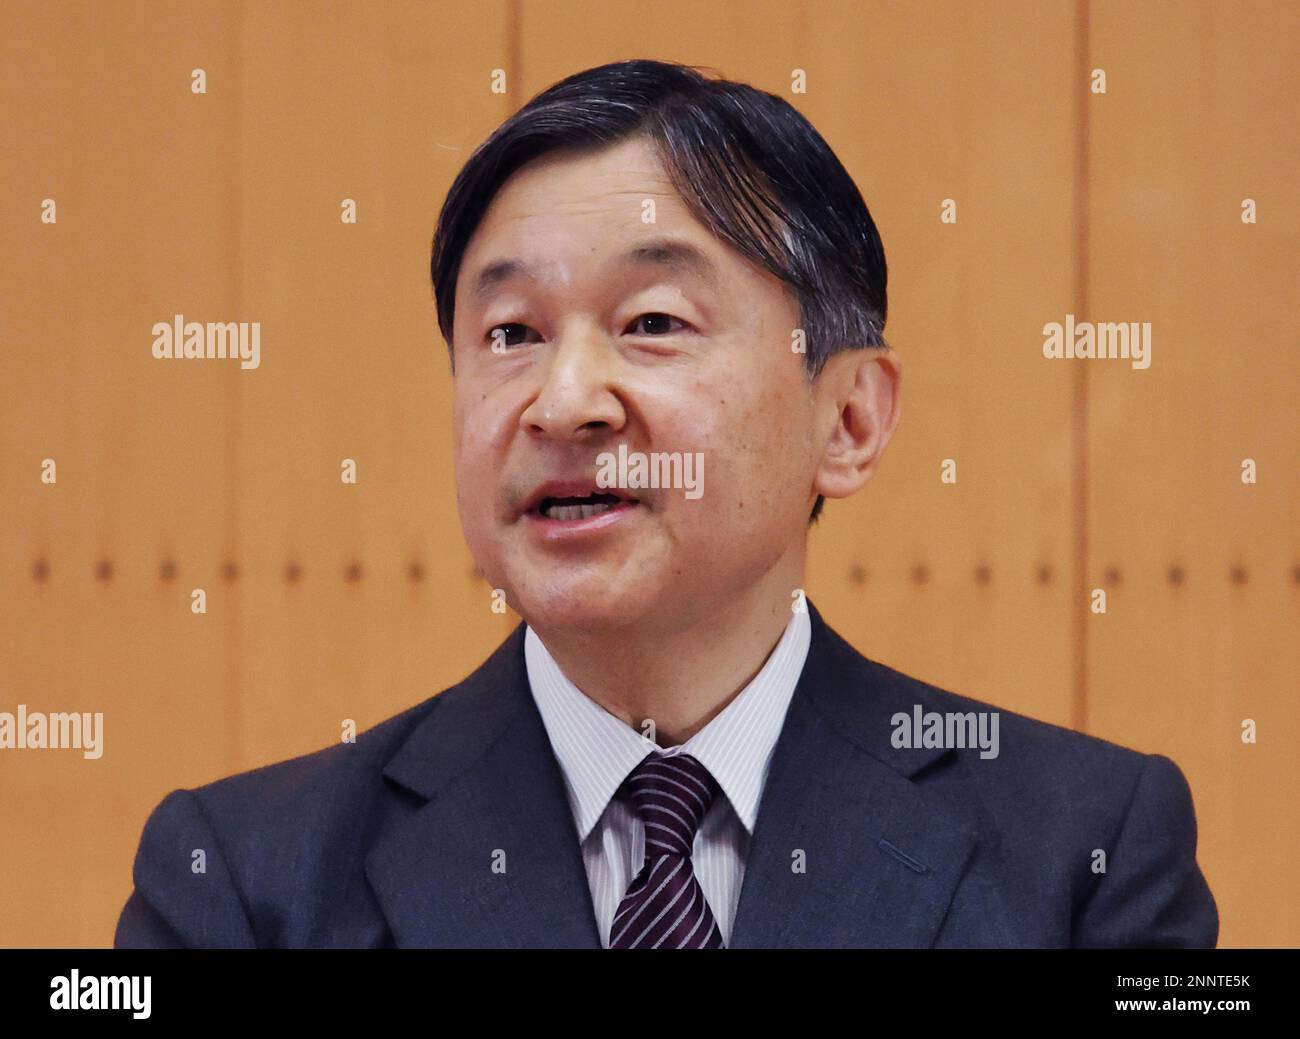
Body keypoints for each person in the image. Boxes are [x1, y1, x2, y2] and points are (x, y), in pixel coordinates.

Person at [115, 59, 1217, 949]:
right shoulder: (244, 882)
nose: (564, 401)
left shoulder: (1086, 859)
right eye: (510, 334)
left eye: (651, 322)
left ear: (847, 421)